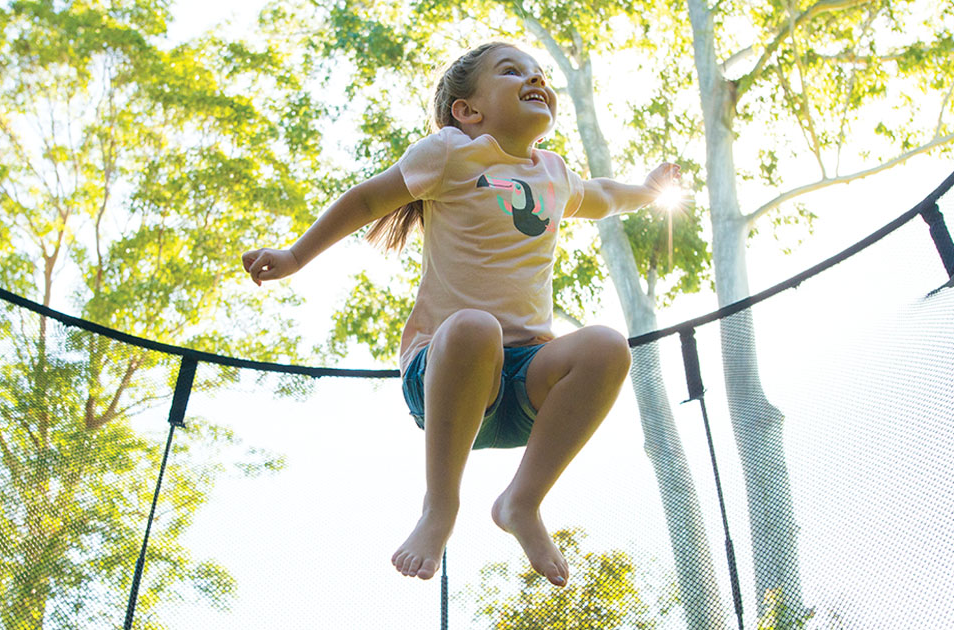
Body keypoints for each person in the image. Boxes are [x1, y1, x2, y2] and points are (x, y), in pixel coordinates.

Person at [242, 41, 682, 588]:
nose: (534, 78)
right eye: (511, 71)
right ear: (467, 111)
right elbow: (365, 201)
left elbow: (603, 195)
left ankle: (521, 502)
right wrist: (294, 257)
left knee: (606, 345)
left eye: (539, 73)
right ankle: (440, 507)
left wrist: (647, 191)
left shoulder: (554, 174)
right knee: (476, 327)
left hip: (524, 387)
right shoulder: (449, 153)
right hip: (447, 375)